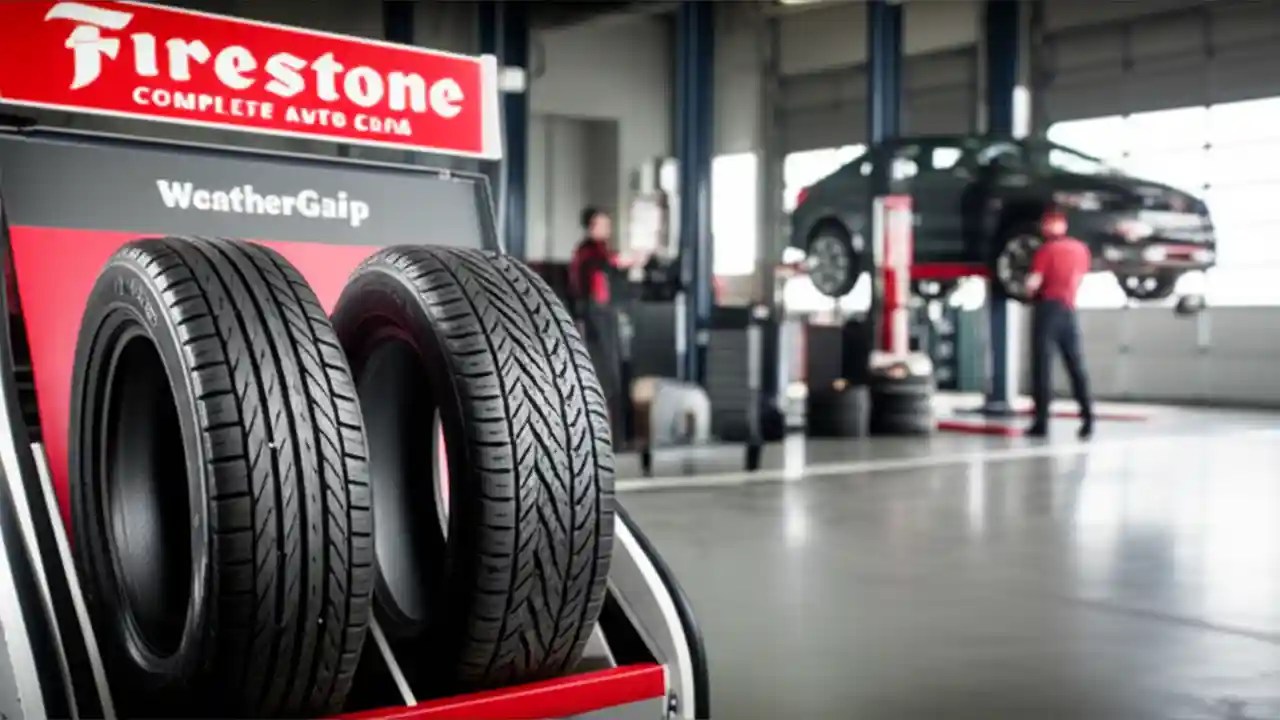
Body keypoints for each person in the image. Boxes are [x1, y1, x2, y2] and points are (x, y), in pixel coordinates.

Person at [1024, 209, 1094, 439]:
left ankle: (1041, 423)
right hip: (1069, 309)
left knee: (1042, 367)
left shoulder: (1047, 250)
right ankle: (1087, 419)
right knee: (1075, 366)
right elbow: (1081, 276)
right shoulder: (1081, 249)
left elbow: (1033, 283)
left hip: (1047, 308)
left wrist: (1026, 288)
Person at [569, 207, 626, 440]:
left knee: (611, 375)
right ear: (592, 226)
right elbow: (594, 276)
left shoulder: (598, 253)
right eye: (603, 224)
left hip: (603, 318)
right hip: (595, 320)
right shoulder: (588, 254)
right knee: (602, 375)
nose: (607, 229)